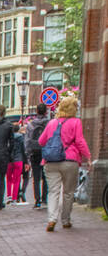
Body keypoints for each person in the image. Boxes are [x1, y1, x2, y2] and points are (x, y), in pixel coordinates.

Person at [39, 94, 90, 232]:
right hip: (70, 161)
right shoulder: (76, 122)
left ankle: (51, 219)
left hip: (51, 161)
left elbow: (41, 141)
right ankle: (66, 220)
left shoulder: (51, 123)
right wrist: (88, 156)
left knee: (53, 192)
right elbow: (79, 141)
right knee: (68, 193)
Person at [25, 101, 49, 209]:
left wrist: (27, 155)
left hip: (35, 152)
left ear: (36, 111)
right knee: (46, 177)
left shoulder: (31, 124)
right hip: (46, 152)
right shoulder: (49, 123)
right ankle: (45, 199)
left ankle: (37, 201)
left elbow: (27, 141)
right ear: (46, 112)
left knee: (36, 178)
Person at [6, 122, 26, 205]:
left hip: (9, 160)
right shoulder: (21, 138)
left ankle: (9, 196)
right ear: (18, 129)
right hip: (18, 160)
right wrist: (26, 162)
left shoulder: (8, 138)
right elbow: (23, 150)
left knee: (9, 179)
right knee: (17, 180)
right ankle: (14, 198)